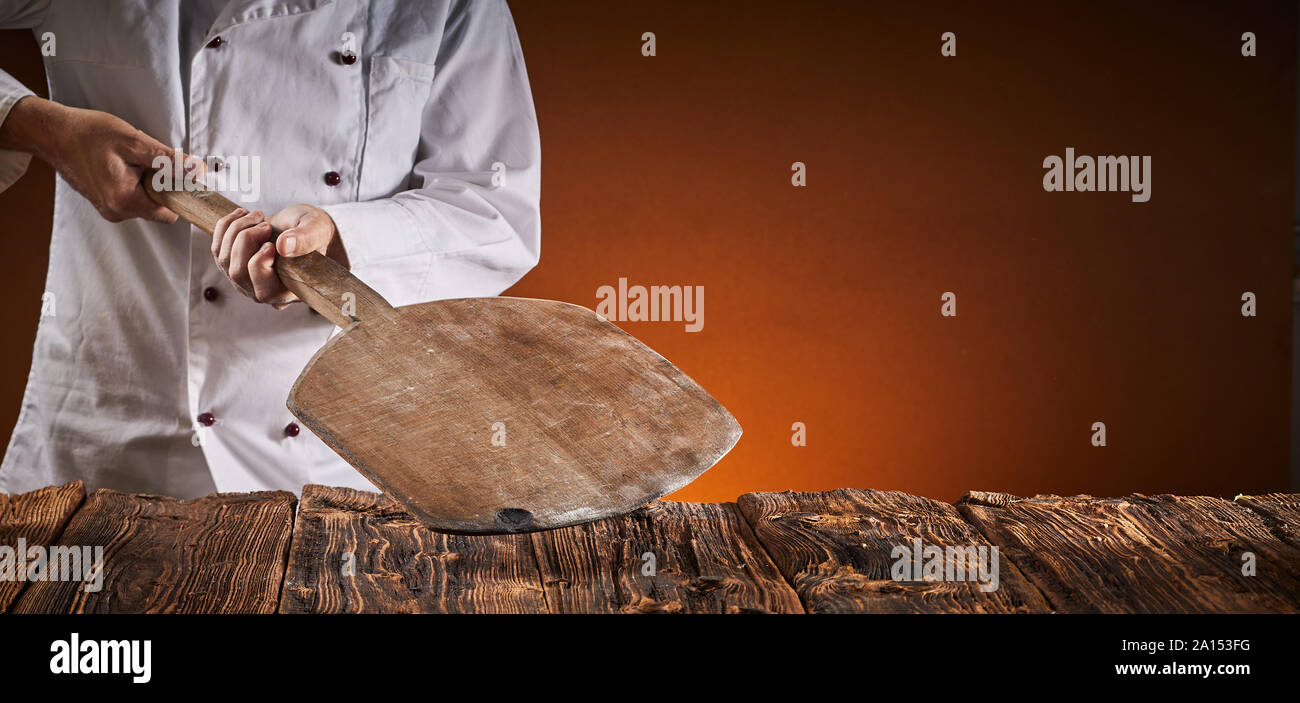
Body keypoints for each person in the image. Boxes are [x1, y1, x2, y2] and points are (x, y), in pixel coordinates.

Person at [0, 0, 541, 497]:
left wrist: (343, 236)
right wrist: (41, 126)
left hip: (335, 456)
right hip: (107, 432)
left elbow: (494, 208)